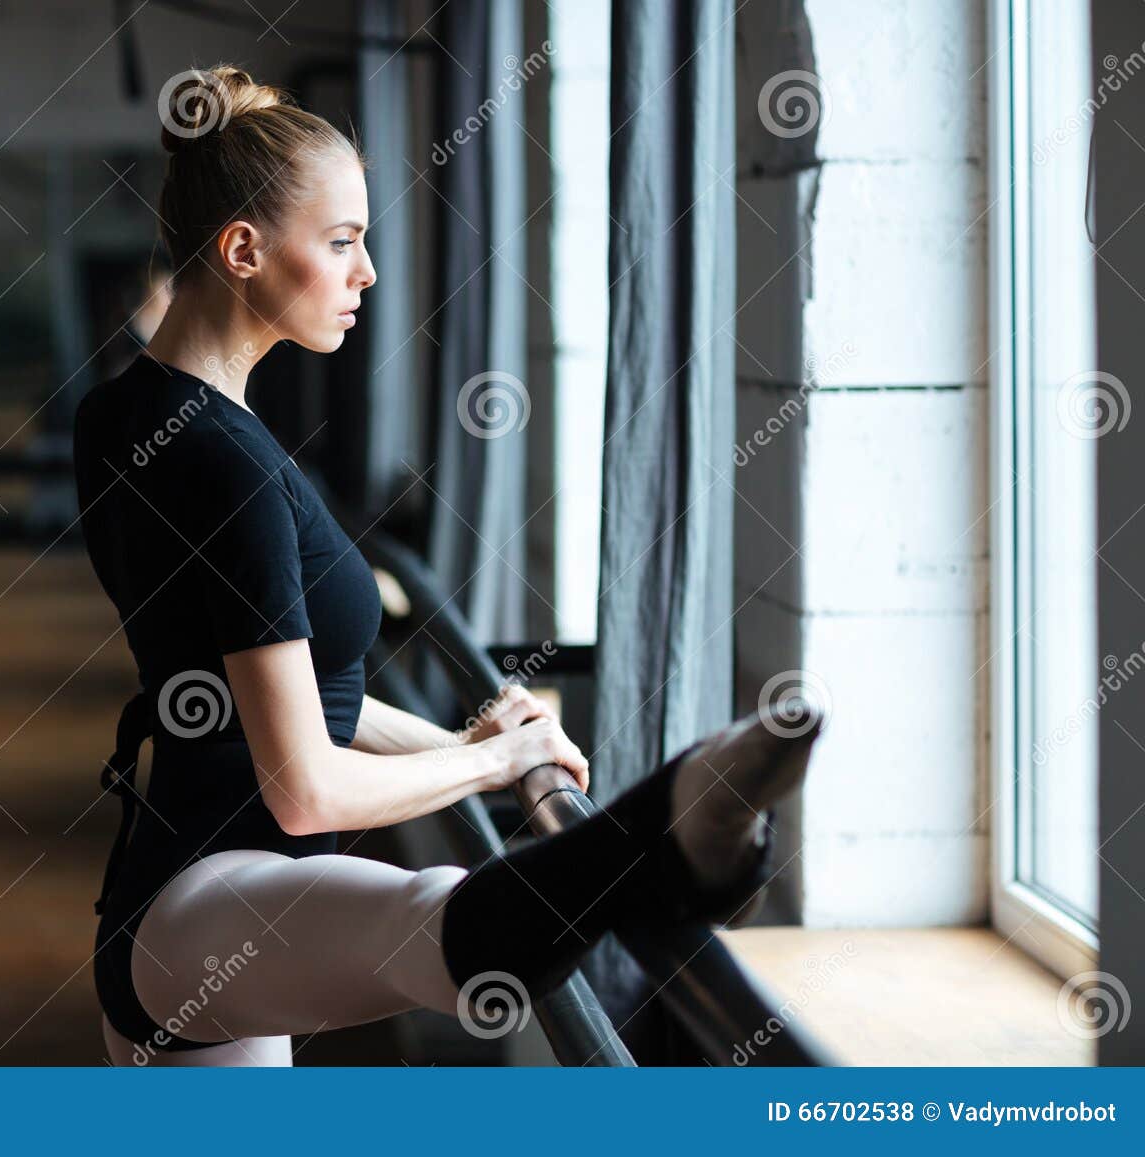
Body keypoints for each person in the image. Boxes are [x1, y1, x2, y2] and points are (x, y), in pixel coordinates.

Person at [73, 64, 821, 1068]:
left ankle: (671, 844)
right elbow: (304, 786)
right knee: (433, 922)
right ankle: (671, 834)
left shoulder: (122, 414)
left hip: (186, 911)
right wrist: (495, 760)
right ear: (243, 249)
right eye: (341, 241)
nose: (367, 271)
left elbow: (276, 685)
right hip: (207, 905)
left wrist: (455, 736)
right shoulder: (224, 462)